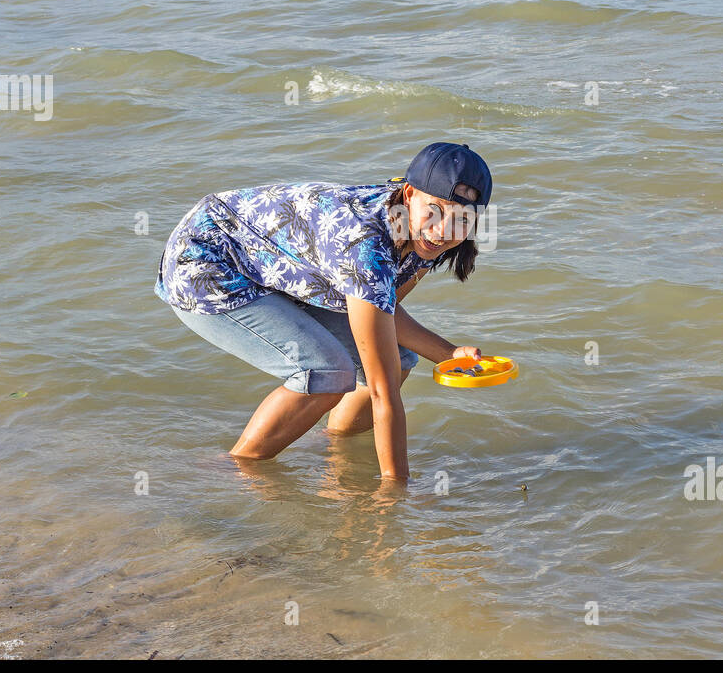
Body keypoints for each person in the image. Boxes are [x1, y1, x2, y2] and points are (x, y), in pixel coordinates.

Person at [155, 142, 493, 482]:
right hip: (207, 257)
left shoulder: (422, 234)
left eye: (461, 219)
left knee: (400, 359)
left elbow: (382, 309)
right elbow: (383, 393)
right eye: (435, 211)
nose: (443, 230)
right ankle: (238, 467)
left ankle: (334, 447)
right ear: (408, 195)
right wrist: (396, 491)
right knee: (327, 372)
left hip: (272, 262)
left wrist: (448, 353)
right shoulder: (365, 245)